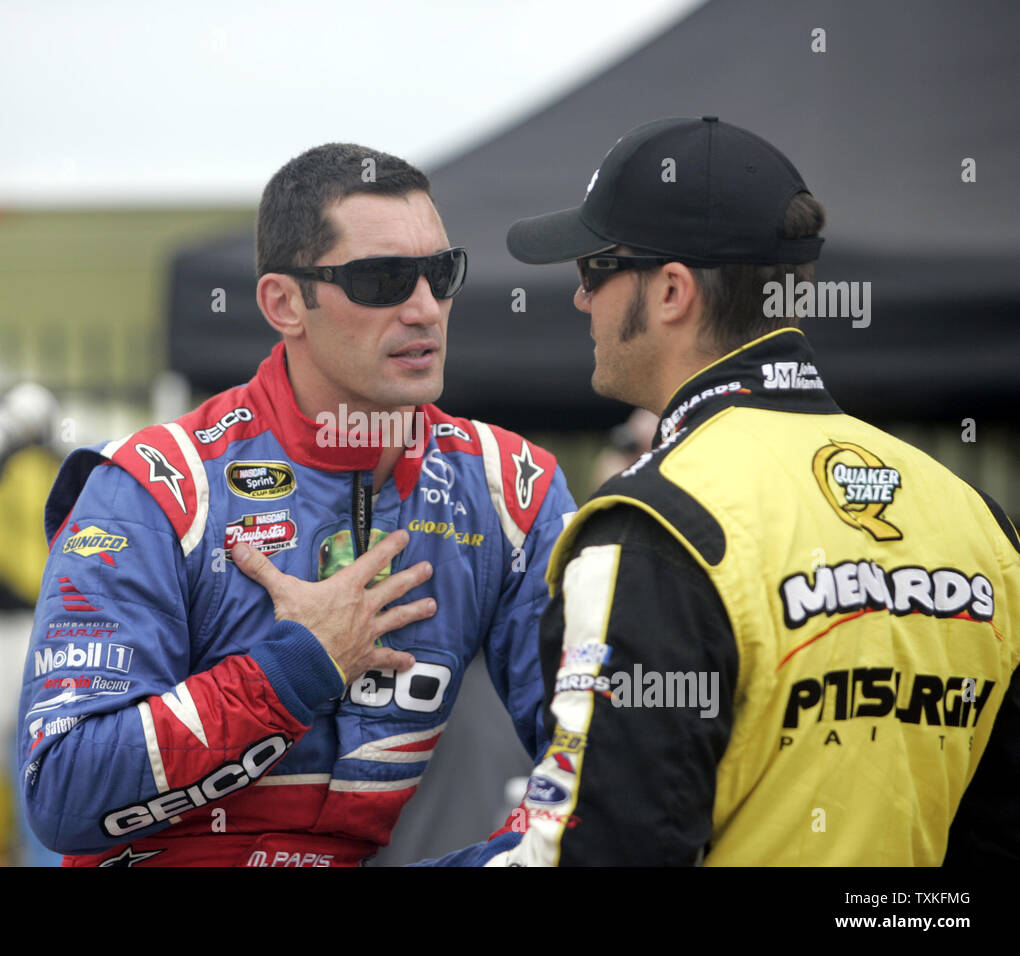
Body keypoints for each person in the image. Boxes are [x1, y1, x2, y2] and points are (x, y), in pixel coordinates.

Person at [437, 116, 1019, 866]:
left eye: (594, 272)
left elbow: (594, 855)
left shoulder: (652, 527)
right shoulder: (977, 520)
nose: (582, 302)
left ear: (673, 290)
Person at [17, 143, 576, 866]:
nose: (424, 308)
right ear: (284, 303)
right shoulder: (160, 486)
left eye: (442, 275)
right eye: (381, 280)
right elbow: (62, 792)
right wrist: (295, 666)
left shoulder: (507, 489)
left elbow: (596, 758)